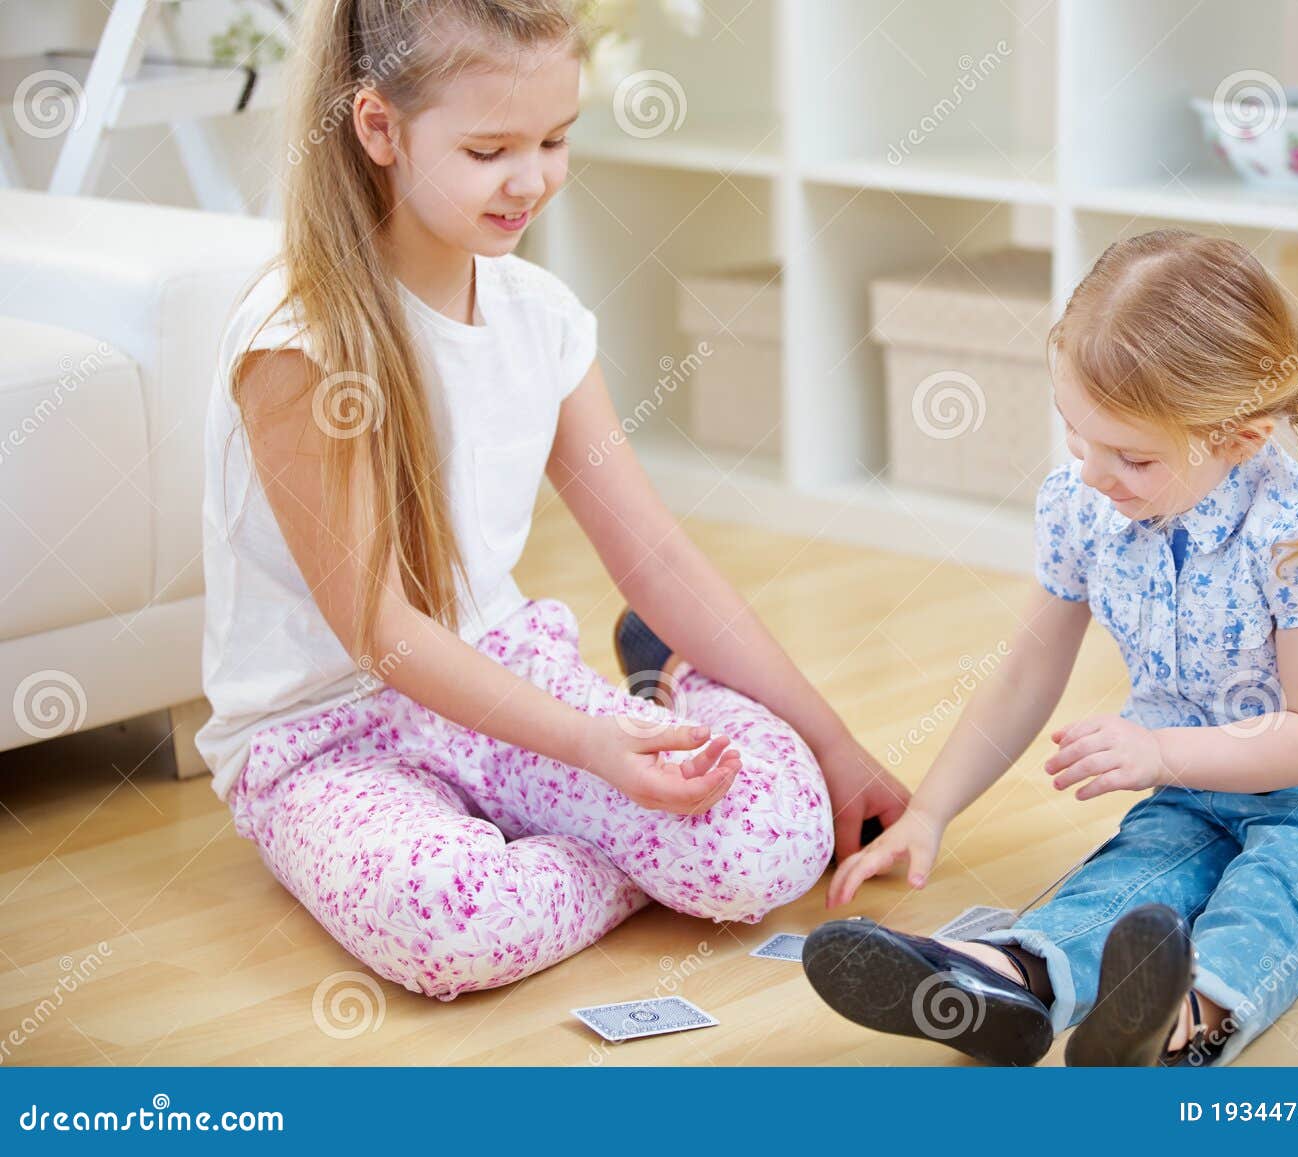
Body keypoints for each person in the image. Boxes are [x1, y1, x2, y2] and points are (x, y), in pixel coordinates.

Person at [196, 0, 907, 1001]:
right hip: (329, 733)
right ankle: (593, 850)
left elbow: (651, 553)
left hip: (503, 676)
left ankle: (657, 702)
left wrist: (833, 745)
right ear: (379, 130)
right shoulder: (300, 342)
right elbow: (382, 631)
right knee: (459, 924)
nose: (530, 178)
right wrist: (594, 753)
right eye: (489, 149)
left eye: (555, 139)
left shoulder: (542, 317)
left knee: (777, 835)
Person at [804, 229, 1298, 1067]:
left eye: (1132, 455)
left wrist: (1159, 748)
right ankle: (1011, 979)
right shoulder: (1084, 503)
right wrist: (930, 810)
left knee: (1275, 892)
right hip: (1194, 783)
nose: (1095, 472)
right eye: (1076, 434)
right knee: (1132, 875)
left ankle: (1183, 1021)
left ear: (1240, 437)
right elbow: (1029, 669)